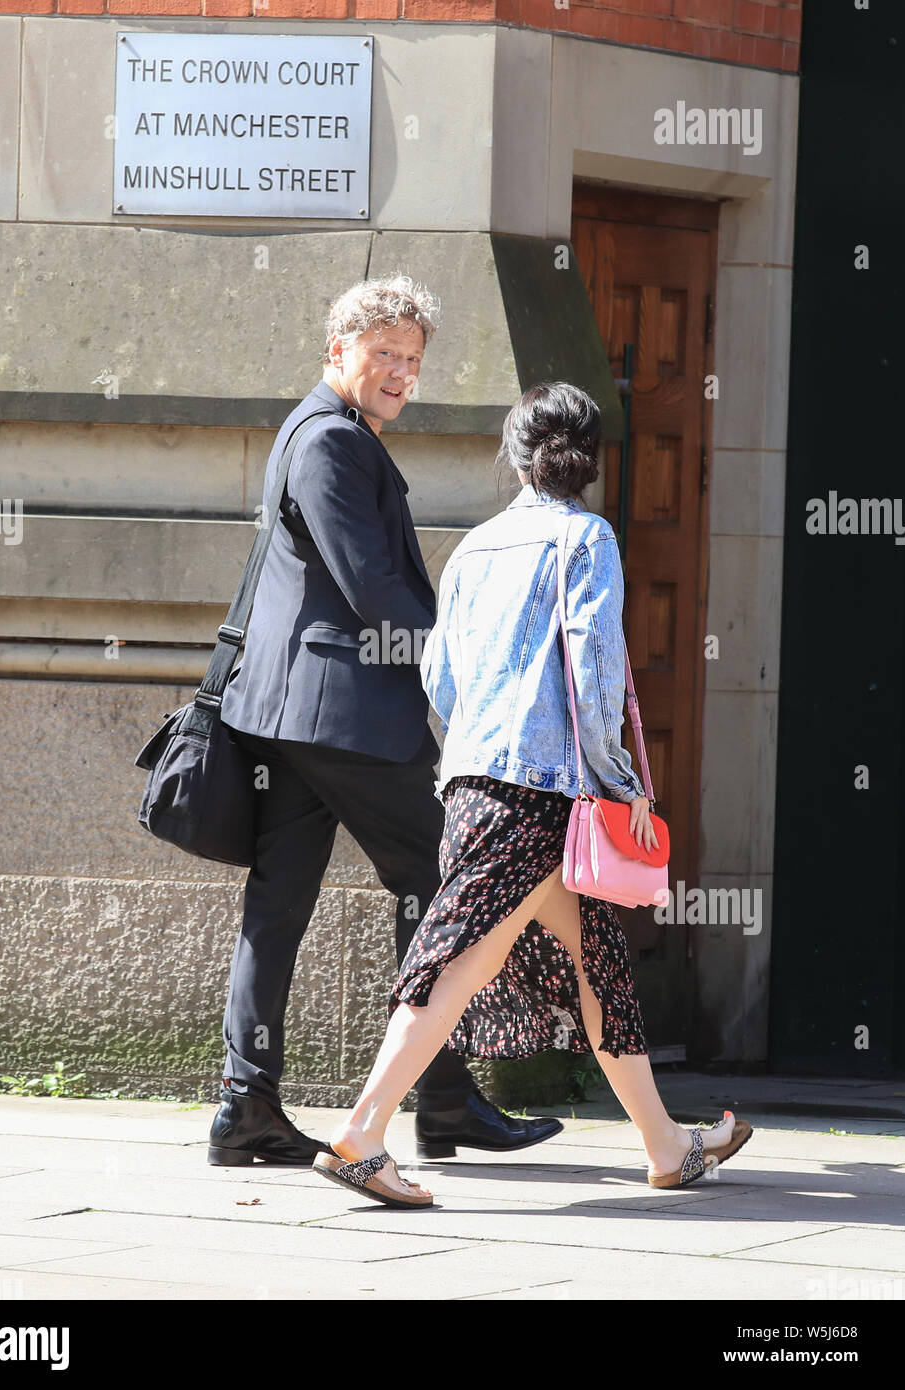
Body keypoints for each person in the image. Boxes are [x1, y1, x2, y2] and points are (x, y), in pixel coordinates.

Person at [314, 381, 753, 1207]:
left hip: (481, 783)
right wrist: (619, 780)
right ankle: (361, 1134)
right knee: (456, 960)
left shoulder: (474, 549)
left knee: (597, 961)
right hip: (542, 794)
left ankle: (667, 1145)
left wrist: (483, 737)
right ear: (591, 458)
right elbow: (592, 672)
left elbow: (439, 674)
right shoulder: (587, 539)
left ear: (518, 456)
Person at [208, 277, 562, 1166]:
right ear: (339, 353)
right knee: (447, 881)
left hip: (294, 715)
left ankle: (246, 1107)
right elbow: (370, 587)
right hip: (342, 714)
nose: (400, 372)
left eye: (412, 358)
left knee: (278, 906)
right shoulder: (330, 442)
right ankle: (440, 1101)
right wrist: (461, 666)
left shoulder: (326, 432)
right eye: (383, 356)